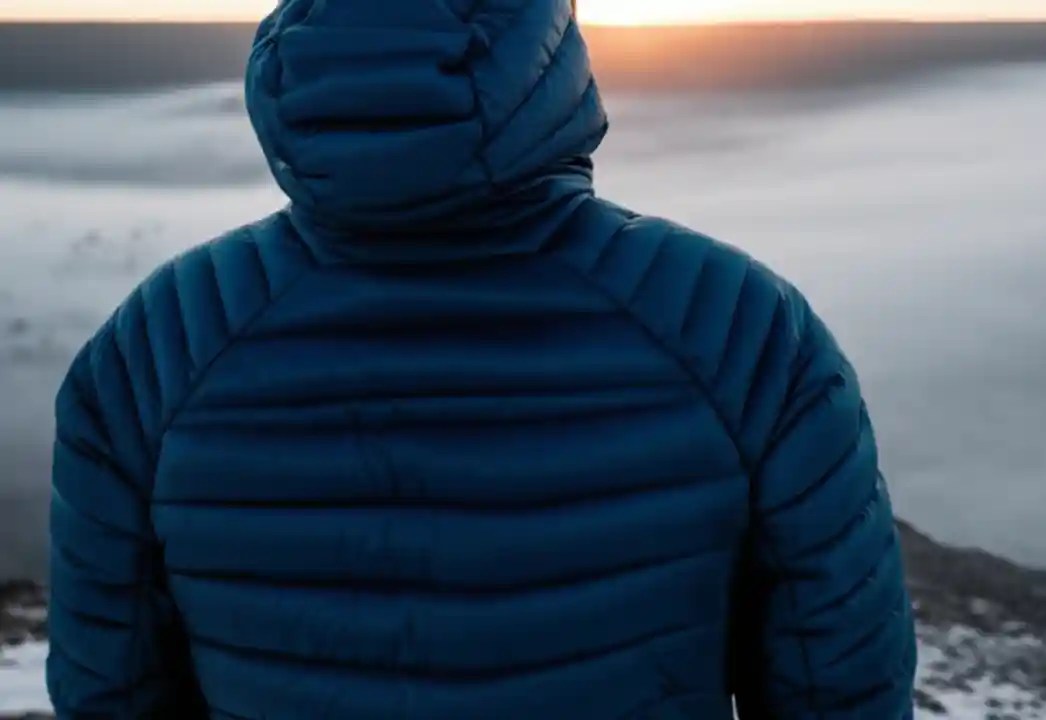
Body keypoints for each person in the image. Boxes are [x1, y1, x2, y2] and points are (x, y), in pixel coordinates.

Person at [45, 1, 916, 717]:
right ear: (548, 47)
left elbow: (110, 690)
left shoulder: (157, 348)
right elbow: (837, 688)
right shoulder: (737, 328)